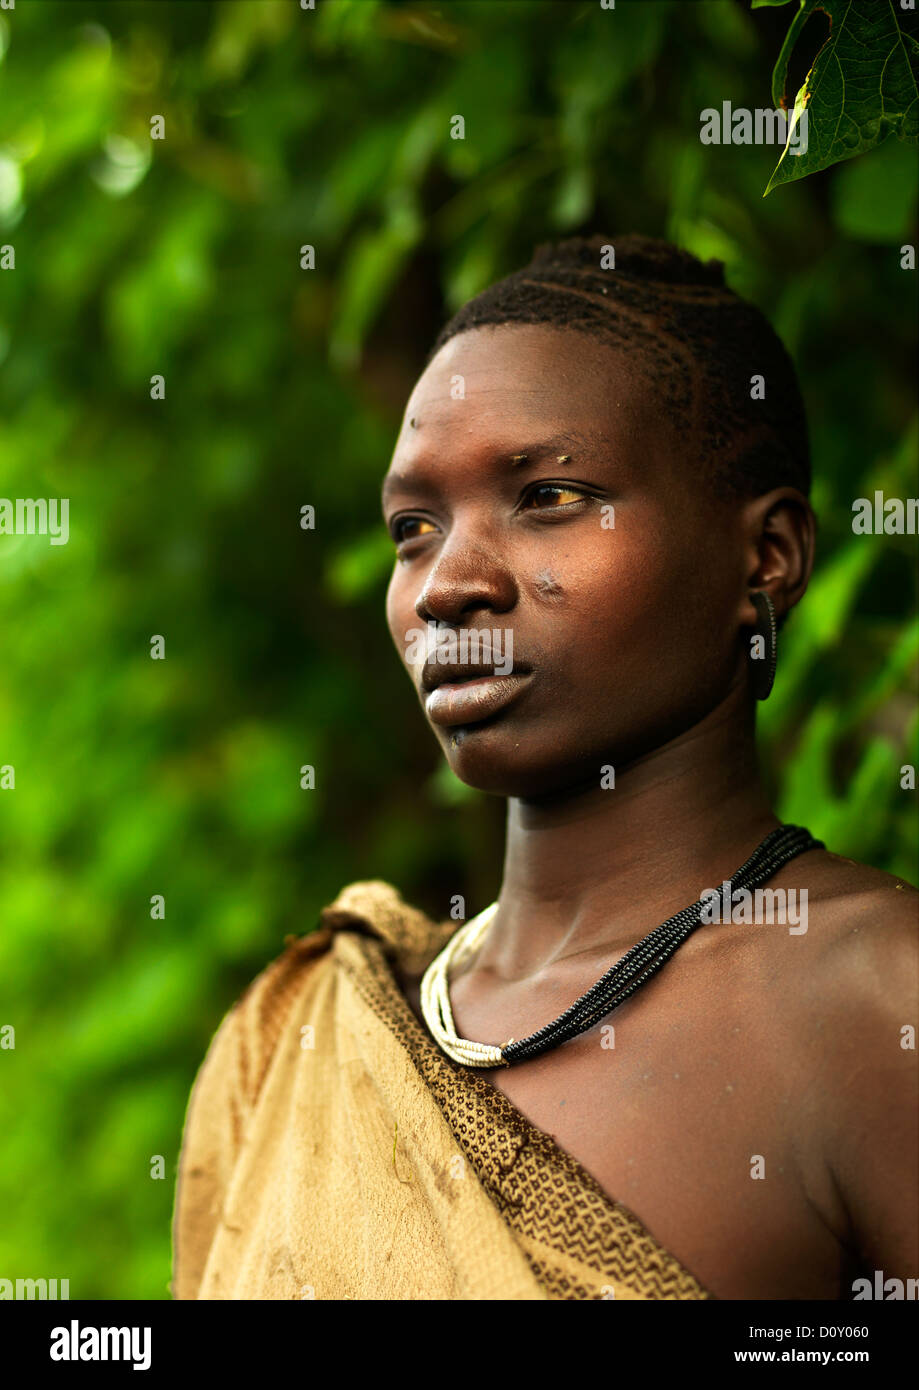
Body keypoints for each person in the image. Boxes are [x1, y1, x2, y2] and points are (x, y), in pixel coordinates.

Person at [171, 234, 918, 1301]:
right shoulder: (301, 1035)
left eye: (550, 497)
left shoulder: (878, 999)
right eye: (413, 527)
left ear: (767, 555)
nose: (446, 584)